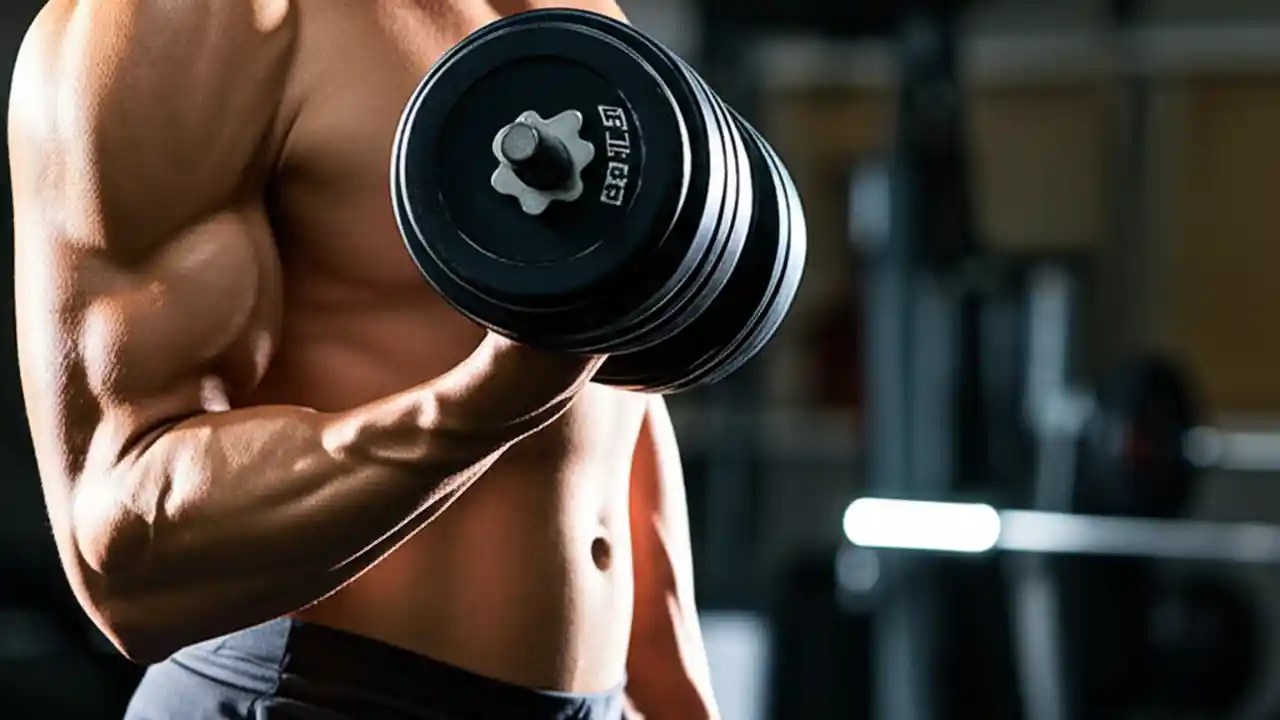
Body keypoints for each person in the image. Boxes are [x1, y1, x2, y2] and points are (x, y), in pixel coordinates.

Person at [9, 1, 720, 718]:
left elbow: (609, 394)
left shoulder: (582, 6)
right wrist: (479, 410)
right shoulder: (187, 20)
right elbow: (126, 550)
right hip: (317, 696)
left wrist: (675, 691)